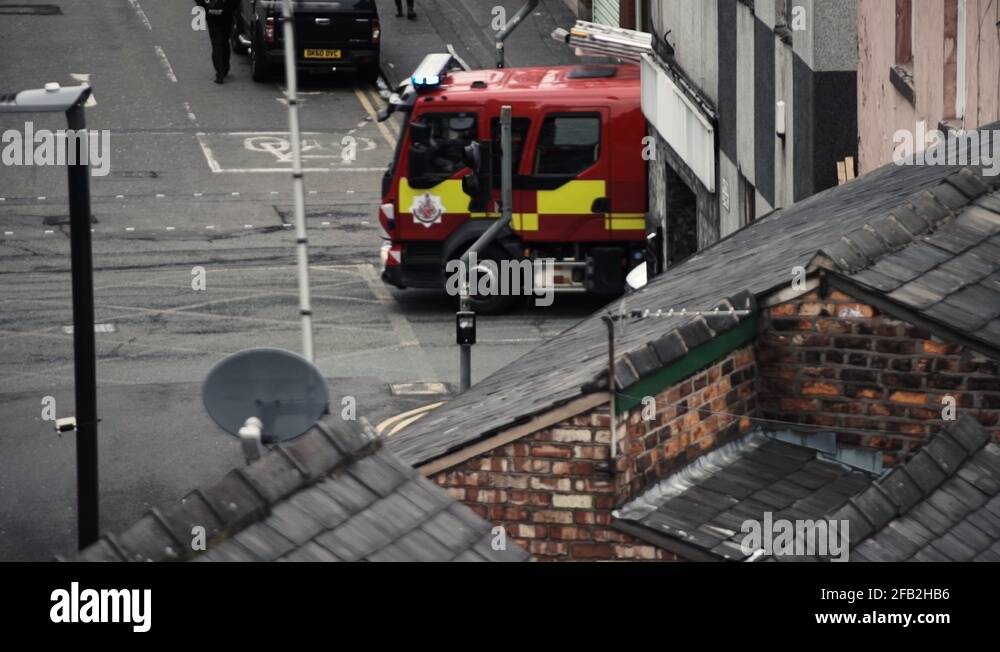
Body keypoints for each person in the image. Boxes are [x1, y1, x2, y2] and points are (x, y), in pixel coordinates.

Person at [196, 0, 239, 83]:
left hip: (212, 15)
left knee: (216, 43)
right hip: (226, 14)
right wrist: (231, 10)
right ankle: (224, 67)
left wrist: (205, 8)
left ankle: (220, 71)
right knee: (224, 41)